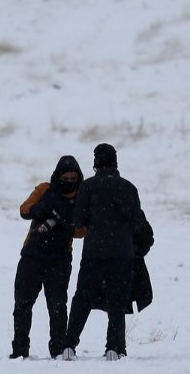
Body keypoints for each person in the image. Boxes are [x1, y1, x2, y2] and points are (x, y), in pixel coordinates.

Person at [61, 143, 150, 361]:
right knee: (117, 302)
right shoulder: (128, 188)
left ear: (96, 162)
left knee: (82, 299)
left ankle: (69, 346)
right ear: (115, 162)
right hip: (122, 255)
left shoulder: (88, 187)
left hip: (94, 254)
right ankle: (114, 348)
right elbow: (138, 222)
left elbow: (79, 220)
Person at [10, 155, 85, 359]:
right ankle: (20, 350)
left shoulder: (82, 196)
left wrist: (67, 226)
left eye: (73, 178)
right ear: (58, 175)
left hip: (60, 259)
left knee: (58, 308)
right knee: (22, 305)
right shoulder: (44, 190)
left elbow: (83, 230)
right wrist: (41, 209)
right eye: (66, 178)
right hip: (32, 255)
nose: (69, 182)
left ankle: (58, 350)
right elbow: (24, 210)